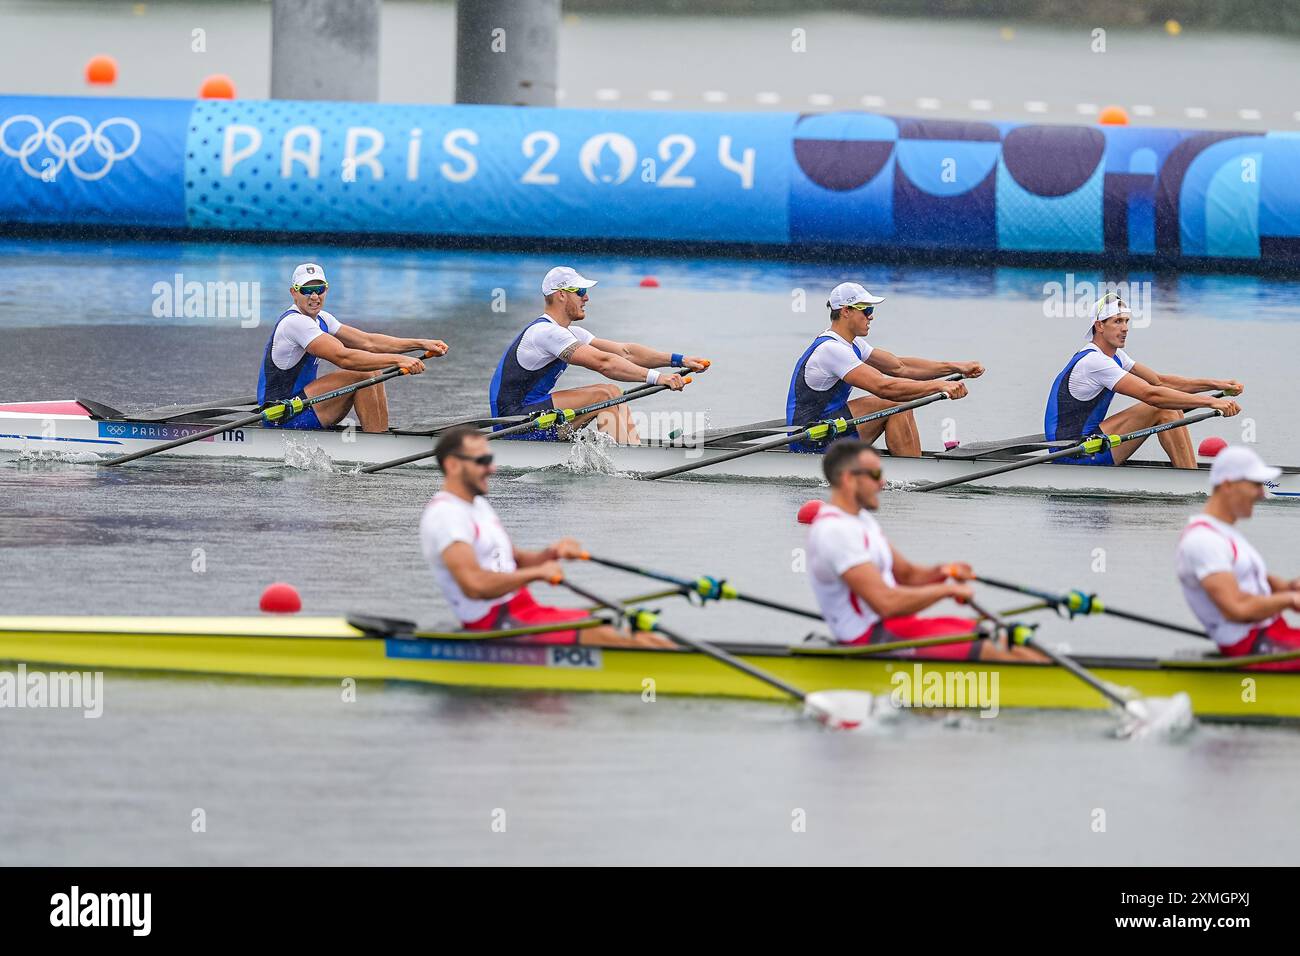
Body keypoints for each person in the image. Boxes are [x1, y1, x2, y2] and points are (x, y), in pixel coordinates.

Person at [420, 426, 671, 647]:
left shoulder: (476, 505)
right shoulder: (446, 516)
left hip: (523, 610)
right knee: (613, 635)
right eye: (483, 460)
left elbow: (512, 560)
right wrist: (537, 574)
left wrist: (550, 554)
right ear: (453, 465)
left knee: (633, 632)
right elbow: (474, 586)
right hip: (494, 623)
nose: (492, 468)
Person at [805, 439, 1042, 661]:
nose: (883, 483)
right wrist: (945, 591)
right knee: (993, 648)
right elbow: (886, 603)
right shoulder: (835, 532)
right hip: (869, 639)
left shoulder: (861, 520)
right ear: (849, 479)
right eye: (875, 474)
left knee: (1004, 639)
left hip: (898, 626)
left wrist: (945, 571)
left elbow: (908, 575)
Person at [488, 266, 708, 443]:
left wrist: (679, 360)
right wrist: (658, 378)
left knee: (612, 392)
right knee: (605, 394)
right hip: (514, 424)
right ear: (562, 295)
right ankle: (630, 457)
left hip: (537, 417)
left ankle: (629, 447)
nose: (587, 298)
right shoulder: (545, 333)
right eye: (581, 292)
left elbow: (626, 352)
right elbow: (604, 364)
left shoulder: (571, 333)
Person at [1044, 292, 1242, 466]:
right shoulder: (1094, 362)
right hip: (1075, 453)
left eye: (1126, 321)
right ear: (1099, 326)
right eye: (1117, 321)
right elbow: (1151, 394)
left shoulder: (1116, 356)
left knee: (1168, 406)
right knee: (1162, 407)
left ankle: (1189, 473)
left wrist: (1218, 385)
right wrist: (1212, 402)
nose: (1125, 328)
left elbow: (1159, 381)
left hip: (1090, 441)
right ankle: (1190, 479)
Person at [786, 282, 977, 455]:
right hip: (811, 439)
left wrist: (956, 367)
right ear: (846, 311)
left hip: (831, 428)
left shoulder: (853, 344)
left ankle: (912, 462)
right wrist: (939, 386)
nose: (871, 316)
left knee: (901, 404)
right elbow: (883, 387)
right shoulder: (831, 349)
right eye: (866, 310)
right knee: (894, 403)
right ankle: (911, 472)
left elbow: (900, 367)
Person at [257, 263, 448, 431]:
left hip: (303, 406)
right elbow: (344, 357)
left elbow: (369, 342)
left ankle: (379, 436)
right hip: (281, 415)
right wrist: (399, 360)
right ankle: (377, 445)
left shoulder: (323, 318)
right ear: (293, 293)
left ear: (326, 289)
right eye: (306, 290)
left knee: (374, 371)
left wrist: (421, 343)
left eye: (319, 288)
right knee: (362, 374)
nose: (314, 296)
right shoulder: (295, 323)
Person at [1174, 445, 1300, 669]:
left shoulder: (1224, 533)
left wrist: (1291, 588)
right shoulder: (1203, 541)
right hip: (1249, 645)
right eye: (1255, 485)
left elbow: (1263, 583)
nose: (1263, 493)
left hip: (1270, 633)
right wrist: (1289, 600)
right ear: (1228, 485)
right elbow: (1236, 609)